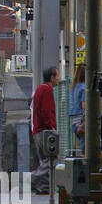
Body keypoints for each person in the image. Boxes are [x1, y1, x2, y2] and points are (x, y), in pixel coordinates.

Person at [30, 66, 59, 194]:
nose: (58, 79)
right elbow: (46, 111)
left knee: (44, 160)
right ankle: (34, 177)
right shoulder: (47, 90)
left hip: (38, 130)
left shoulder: (40, 89)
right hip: (45, 131)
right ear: (52, 77)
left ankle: (42, 187)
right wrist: (51, 127)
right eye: (57, 76)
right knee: (52, 159)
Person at [69, 64, 86, 155]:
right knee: (85, 144)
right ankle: (87, 164)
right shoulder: (84, 88)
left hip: (73, 120)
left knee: (82, 142)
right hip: (81, 119)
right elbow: (84, 106)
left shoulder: (74, 87)